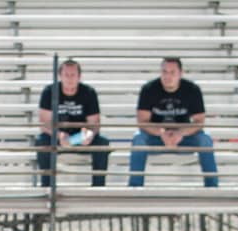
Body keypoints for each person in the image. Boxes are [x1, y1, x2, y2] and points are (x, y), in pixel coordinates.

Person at [128, 57, 219, 188]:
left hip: (184, 137)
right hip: (156, 137)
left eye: (172, 72)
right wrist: (162, 133)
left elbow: (199, 121)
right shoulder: (149, 89)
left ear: (180, 73)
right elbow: (142, 121)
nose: (167, 76)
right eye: (164, 72)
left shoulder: (192, 89)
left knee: (205, 140)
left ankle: (212, 187)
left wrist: (180, 133)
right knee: (138, 139)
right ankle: (135, 187)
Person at [35, 58, 110, 187]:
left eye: (73, 75)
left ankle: (98, 188)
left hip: (81, 136)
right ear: (60, 76)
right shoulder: (49, 92)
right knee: (41, 142)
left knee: (102, 143)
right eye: (66, 75)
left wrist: (87, 135)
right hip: (57, 136)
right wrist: (59, 135)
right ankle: (47, 187)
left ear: (79, 76)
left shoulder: (89, 93)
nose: (69, 79)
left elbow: (94, 123)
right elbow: (44, 124)